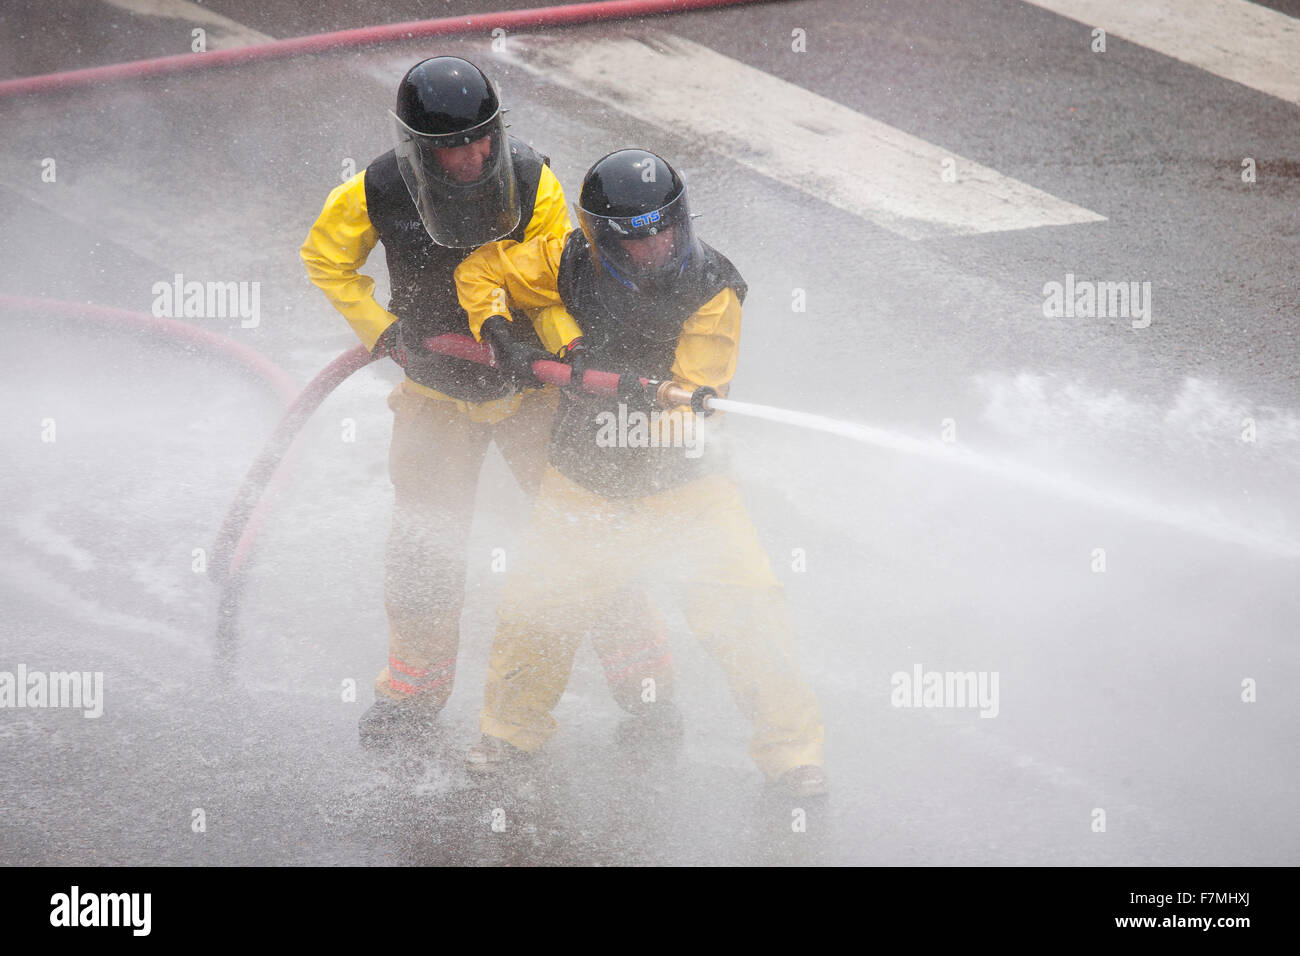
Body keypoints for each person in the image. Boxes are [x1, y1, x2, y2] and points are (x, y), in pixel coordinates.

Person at [299, 58, 672, 746]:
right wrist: (381, 332)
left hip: (531, 393)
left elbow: (557, 284)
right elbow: (325, 258)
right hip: (436, 393)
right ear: (417, 148)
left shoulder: (535, 182)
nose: (472, 156)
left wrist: (569, 348)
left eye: (482, 139)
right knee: (423, 543)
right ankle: (412, 694)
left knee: (583, 531)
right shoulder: (375, 191)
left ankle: (644, 683)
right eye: (452, 145)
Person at [453, 148, 826, 796]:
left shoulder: (713, 286)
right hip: (584, 477)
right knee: (536, 612)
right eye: (637, 238)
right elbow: (483, 270)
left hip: (685, 485)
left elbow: (692, 398)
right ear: (600, 240)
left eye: (665, 229)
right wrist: (493, 325)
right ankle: (509, 735)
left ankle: (793, 755)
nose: (656, 247)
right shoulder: (565, 259)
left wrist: (627, 394)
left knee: (749, 609)